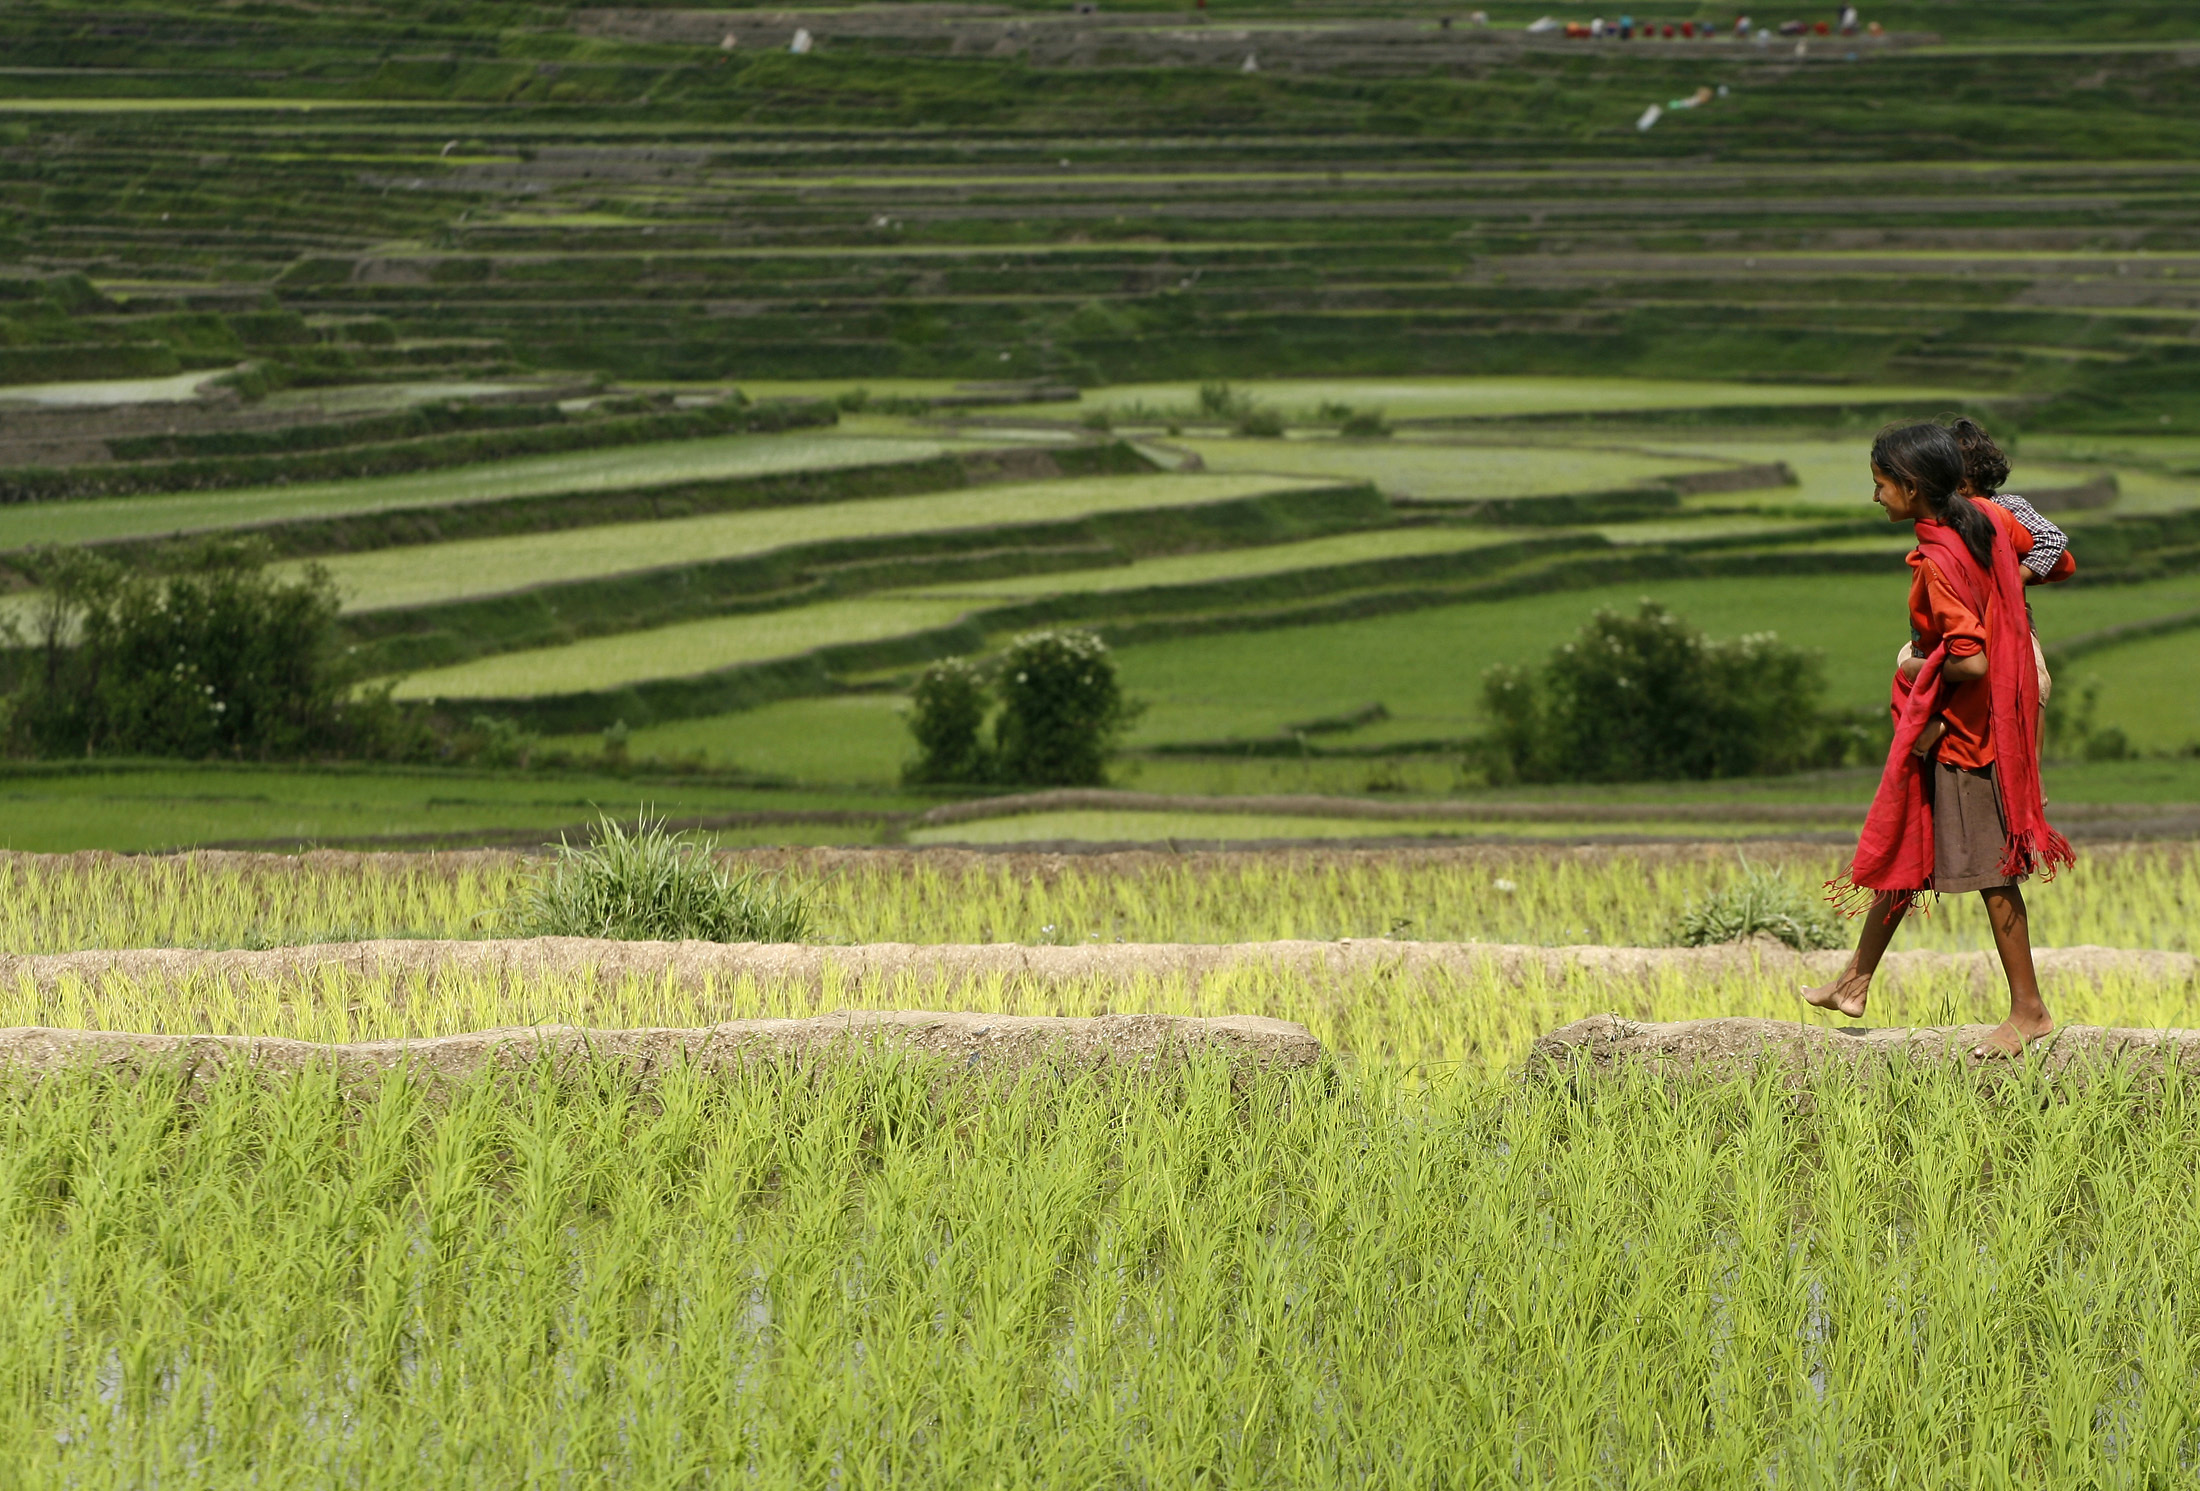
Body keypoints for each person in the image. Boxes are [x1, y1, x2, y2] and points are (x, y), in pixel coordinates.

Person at [1804, 422, 2075, 1058]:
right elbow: (2051, 553)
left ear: (1911, 487)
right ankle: (1855, 979)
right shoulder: (1988, 521)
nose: (1875, 498)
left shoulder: (1938, 560)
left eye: (1880, 485)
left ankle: (2029, 1010)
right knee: (1914, 835)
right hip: (1976, 719)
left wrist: (1913, 669)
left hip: (1966, 728)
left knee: (1991, 868)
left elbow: (1970, 660)